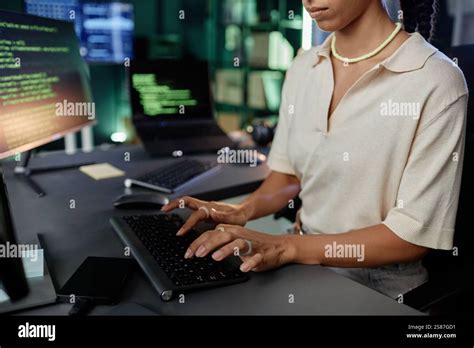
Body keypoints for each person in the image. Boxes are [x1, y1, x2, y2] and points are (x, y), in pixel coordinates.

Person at [161, 0, 468, 298]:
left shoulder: (435, 81)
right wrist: (242, 210)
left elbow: (410, 236)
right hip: (301, 264)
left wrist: (285, 247)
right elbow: (290, 176)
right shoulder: (303, 66)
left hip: (378, 288)